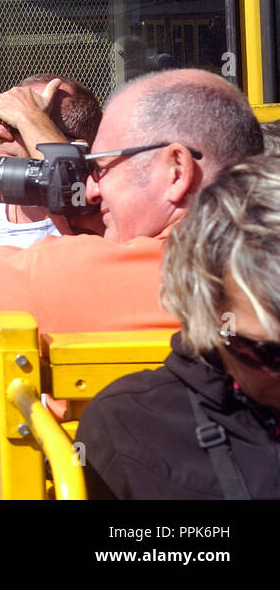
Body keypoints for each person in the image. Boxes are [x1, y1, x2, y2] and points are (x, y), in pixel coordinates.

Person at [0, 69, 263, 341]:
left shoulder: (64, 273)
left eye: (101, 168)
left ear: (176, 172)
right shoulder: (263, 261)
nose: (91, 190)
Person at [76, 155, 280, 499]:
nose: (94, 191)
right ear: (206, 316)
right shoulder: (129, 429)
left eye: (104, 169)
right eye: (266, 353)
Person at [0, 74, 101, 257]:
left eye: (20, 124)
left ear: (76, 146)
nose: (0, 132)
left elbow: (76, 198)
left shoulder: (103, 226)